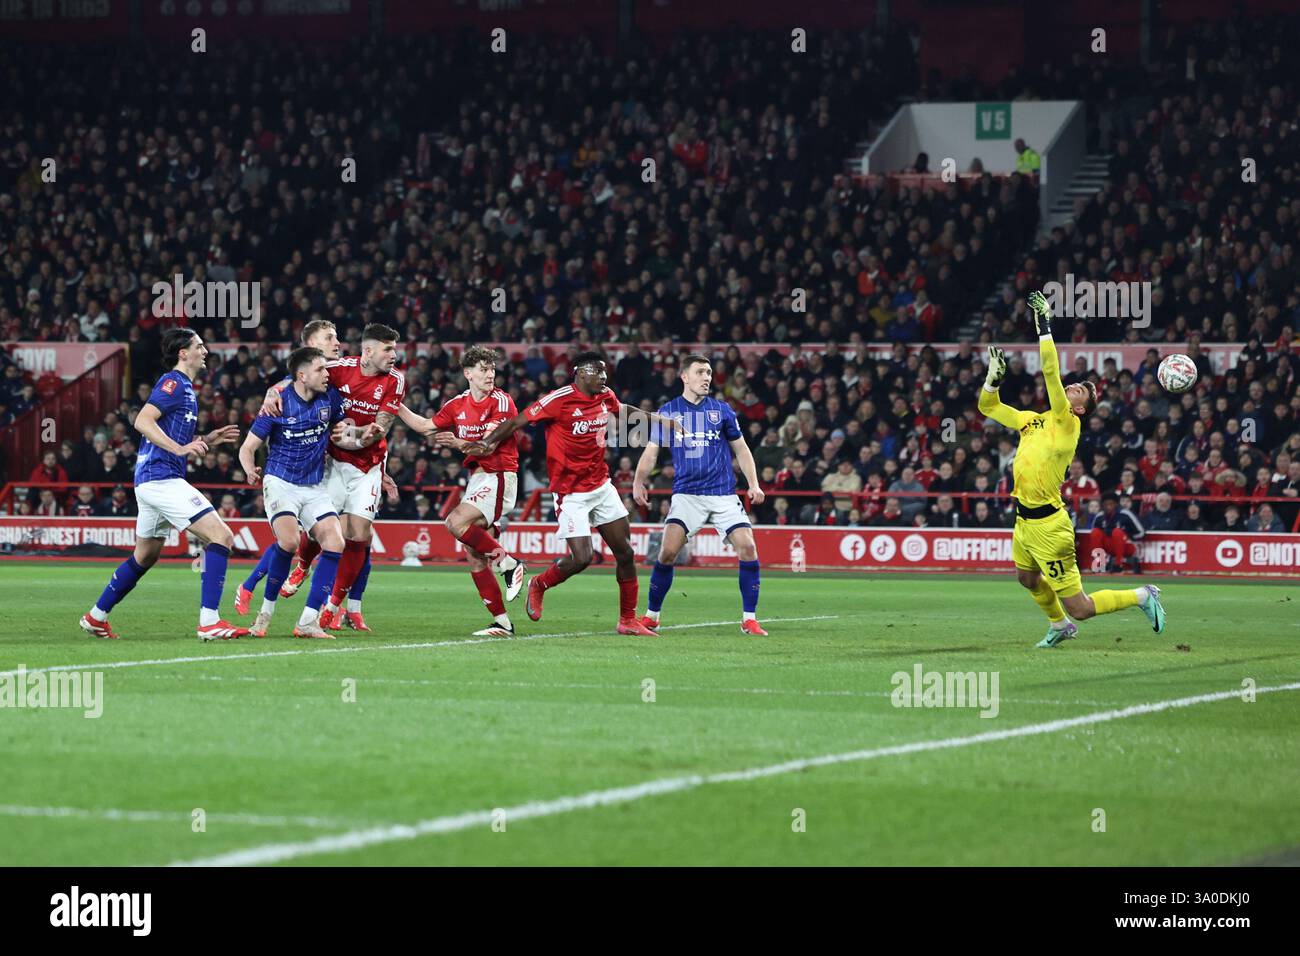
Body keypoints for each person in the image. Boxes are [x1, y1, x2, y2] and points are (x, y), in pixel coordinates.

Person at [978, 291, 1166, 649]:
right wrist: (993, 380)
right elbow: (988, 407)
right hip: (1023, 520)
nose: (1073, 387)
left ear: (1080, 409)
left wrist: (1044, 325)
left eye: (1080, 391)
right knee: (1027, 578)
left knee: (1080, 607)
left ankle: (1142, 595)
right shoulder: (1032, 421)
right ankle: (1058, 625)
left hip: (1050, 525)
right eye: (1075, 385)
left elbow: (1050, 370)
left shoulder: (1067, 424)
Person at [464, 351, 681, 635]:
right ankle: (539, 584)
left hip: (601, 485)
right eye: (597, 372)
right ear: (579, 373)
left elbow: (622, 409)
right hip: (570, 492)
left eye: (604, 372)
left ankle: (627, 620)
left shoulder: (605, 395)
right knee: (582, 558)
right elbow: (517, 422)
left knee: (625, 553)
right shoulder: (558, 399)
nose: (603, 377)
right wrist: (487, 443)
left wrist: (658, 419)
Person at [80, 330, 249, 642]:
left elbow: (171, 437)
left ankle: (96, 616)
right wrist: (180, 449)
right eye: (199, 346)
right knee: (221, 536)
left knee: (145, 556)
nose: (205, 351)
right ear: (183, 353)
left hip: (151, 480)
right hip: (161, 478)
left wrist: (205, 440)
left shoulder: (186, 388)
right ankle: (209, 621)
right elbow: (142, 421)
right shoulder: (172, 383)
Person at [241, 320, 399, 630]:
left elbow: (347, 429)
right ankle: (260, 592)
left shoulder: (332, 390)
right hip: (300, 474)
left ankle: (334, 610)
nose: (338, 343)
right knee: (291, 541)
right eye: (330, 338)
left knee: (356, 535)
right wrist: (272, 393)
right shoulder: (298, 388)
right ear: (311, 345)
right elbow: (253, 439)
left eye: (338, 337)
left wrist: (374, 454)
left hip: (352, 467)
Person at [632, 354, 767, 635]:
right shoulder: (668, 412)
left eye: (708, 373)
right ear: (684, 377)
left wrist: (753, 483)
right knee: (667, 552)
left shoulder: (722, 410)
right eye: (700, 372)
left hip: (722, 494)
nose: (707, 377)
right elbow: (652, 452)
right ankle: (652, 615)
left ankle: (749, 619)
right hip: (687, 495)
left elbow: (741, 449)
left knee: (749, 547)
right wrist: (638, 482)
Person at [414, 345, 528, 637]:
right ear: (468, 374)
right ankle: (502, 622)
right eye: (483, 369)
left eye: (492, 369)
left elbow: (486, 446)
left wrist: (456, 443)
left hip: (499, 474)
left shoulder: (501, 402)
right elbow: (427, 426)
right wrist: (393, 406)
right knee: (473, 553)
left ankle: (508, 561)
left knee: (454, 522)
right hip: (478, 479)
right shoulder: (458, 404)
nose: (489, 374)